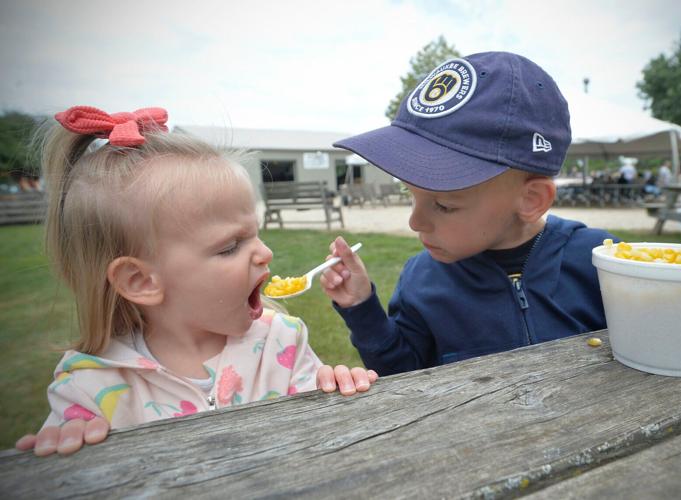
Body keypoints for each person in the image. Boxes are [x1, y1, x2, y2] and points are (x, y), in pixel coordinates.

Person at [15, 106, 377, 457]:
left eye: (256, 234)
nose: (264, 253)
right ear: (141, 281)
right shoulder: (90, 387)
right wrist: (70, 445)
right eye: (230, 246)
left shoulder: (280, 341)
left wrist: (332, 386)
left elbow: (315, 420)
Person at [320, 52, 616, 375]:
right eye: (411, 193)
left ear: (531, 199)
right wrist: (362, 309)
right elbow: (403, 373)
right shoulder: (422, 281)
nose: (415, 222)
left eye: (444, 204)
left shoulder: (603, 264)